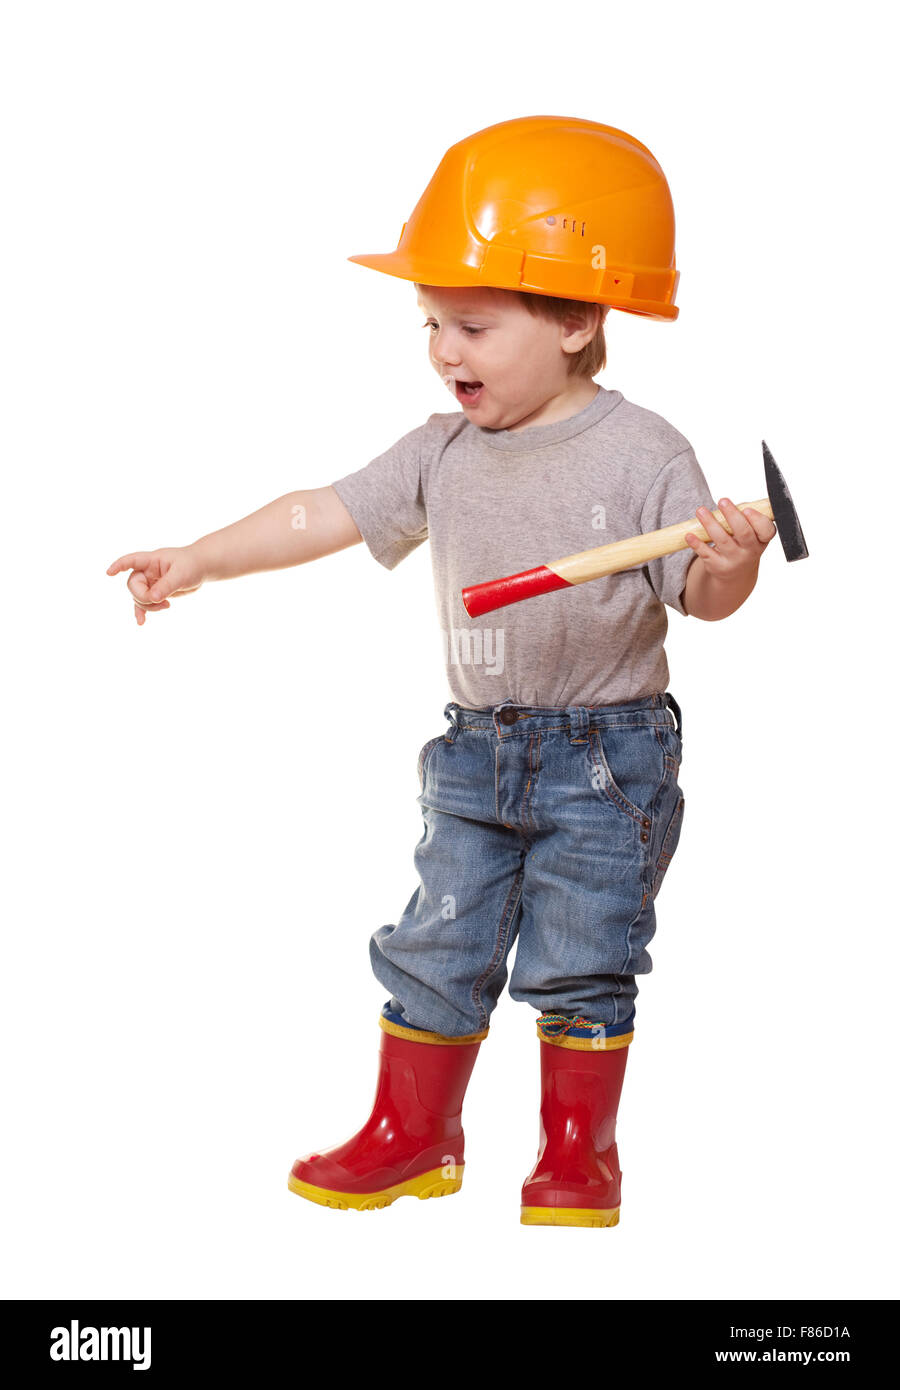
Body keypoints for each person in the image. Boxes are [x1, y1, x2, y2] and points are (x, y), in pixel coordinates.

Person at [107, 116, 776, 1226]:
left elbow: (697, 601)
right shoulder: (441, 451)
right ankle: (414, 1132)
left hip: (607, 761)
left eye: (471, 323)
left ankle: (578, 1153)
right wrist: (204, 557)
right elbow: (322, 509)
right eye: (431, 324)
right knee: (436, 938)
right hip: (473, 751)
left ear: (576, 320)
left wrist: (731, 564)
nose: (442, 351)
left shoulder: (645, 451)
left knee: (583, 951)